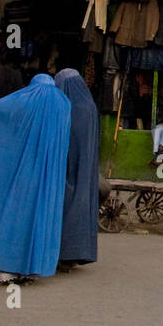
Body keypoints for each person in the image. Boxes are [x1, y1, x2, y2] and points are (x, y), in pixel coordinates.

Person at [0, 74, 71, 283]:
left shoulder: (21, 101)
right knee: (37, 217)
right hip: (47, 178)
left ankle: (5, 267)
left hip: (20, 176)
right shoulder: (63, 104)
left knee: (13, 217)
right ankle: (31, 267)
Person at [54, 68, 99, 270]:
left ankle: (65, 252)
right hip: (86, 167)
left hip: (68, 165)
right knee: (82, 202)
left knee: (67, 204)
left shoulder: (69, 107)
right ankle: (78, 252)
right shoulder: (89, 105)